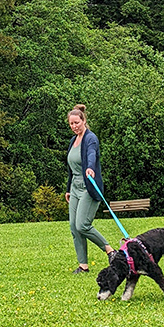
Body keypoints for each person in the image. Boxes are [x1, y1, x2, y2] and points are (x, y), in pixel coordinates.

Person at [65, 104, 114, 273]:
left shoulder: (90, 138)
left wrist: (90, 167)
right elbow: (71, 167)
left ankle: (110, 251)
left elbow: (91, 154)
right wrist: (68, 189)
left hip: (88, 187)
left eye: (77, 122)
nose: (74, 126)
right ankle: (83, 265)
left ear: (84, 121)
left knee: (82, 225)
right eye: (71, 124)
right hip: (75, 188)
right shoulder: (73, 141)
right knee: (73, 226)